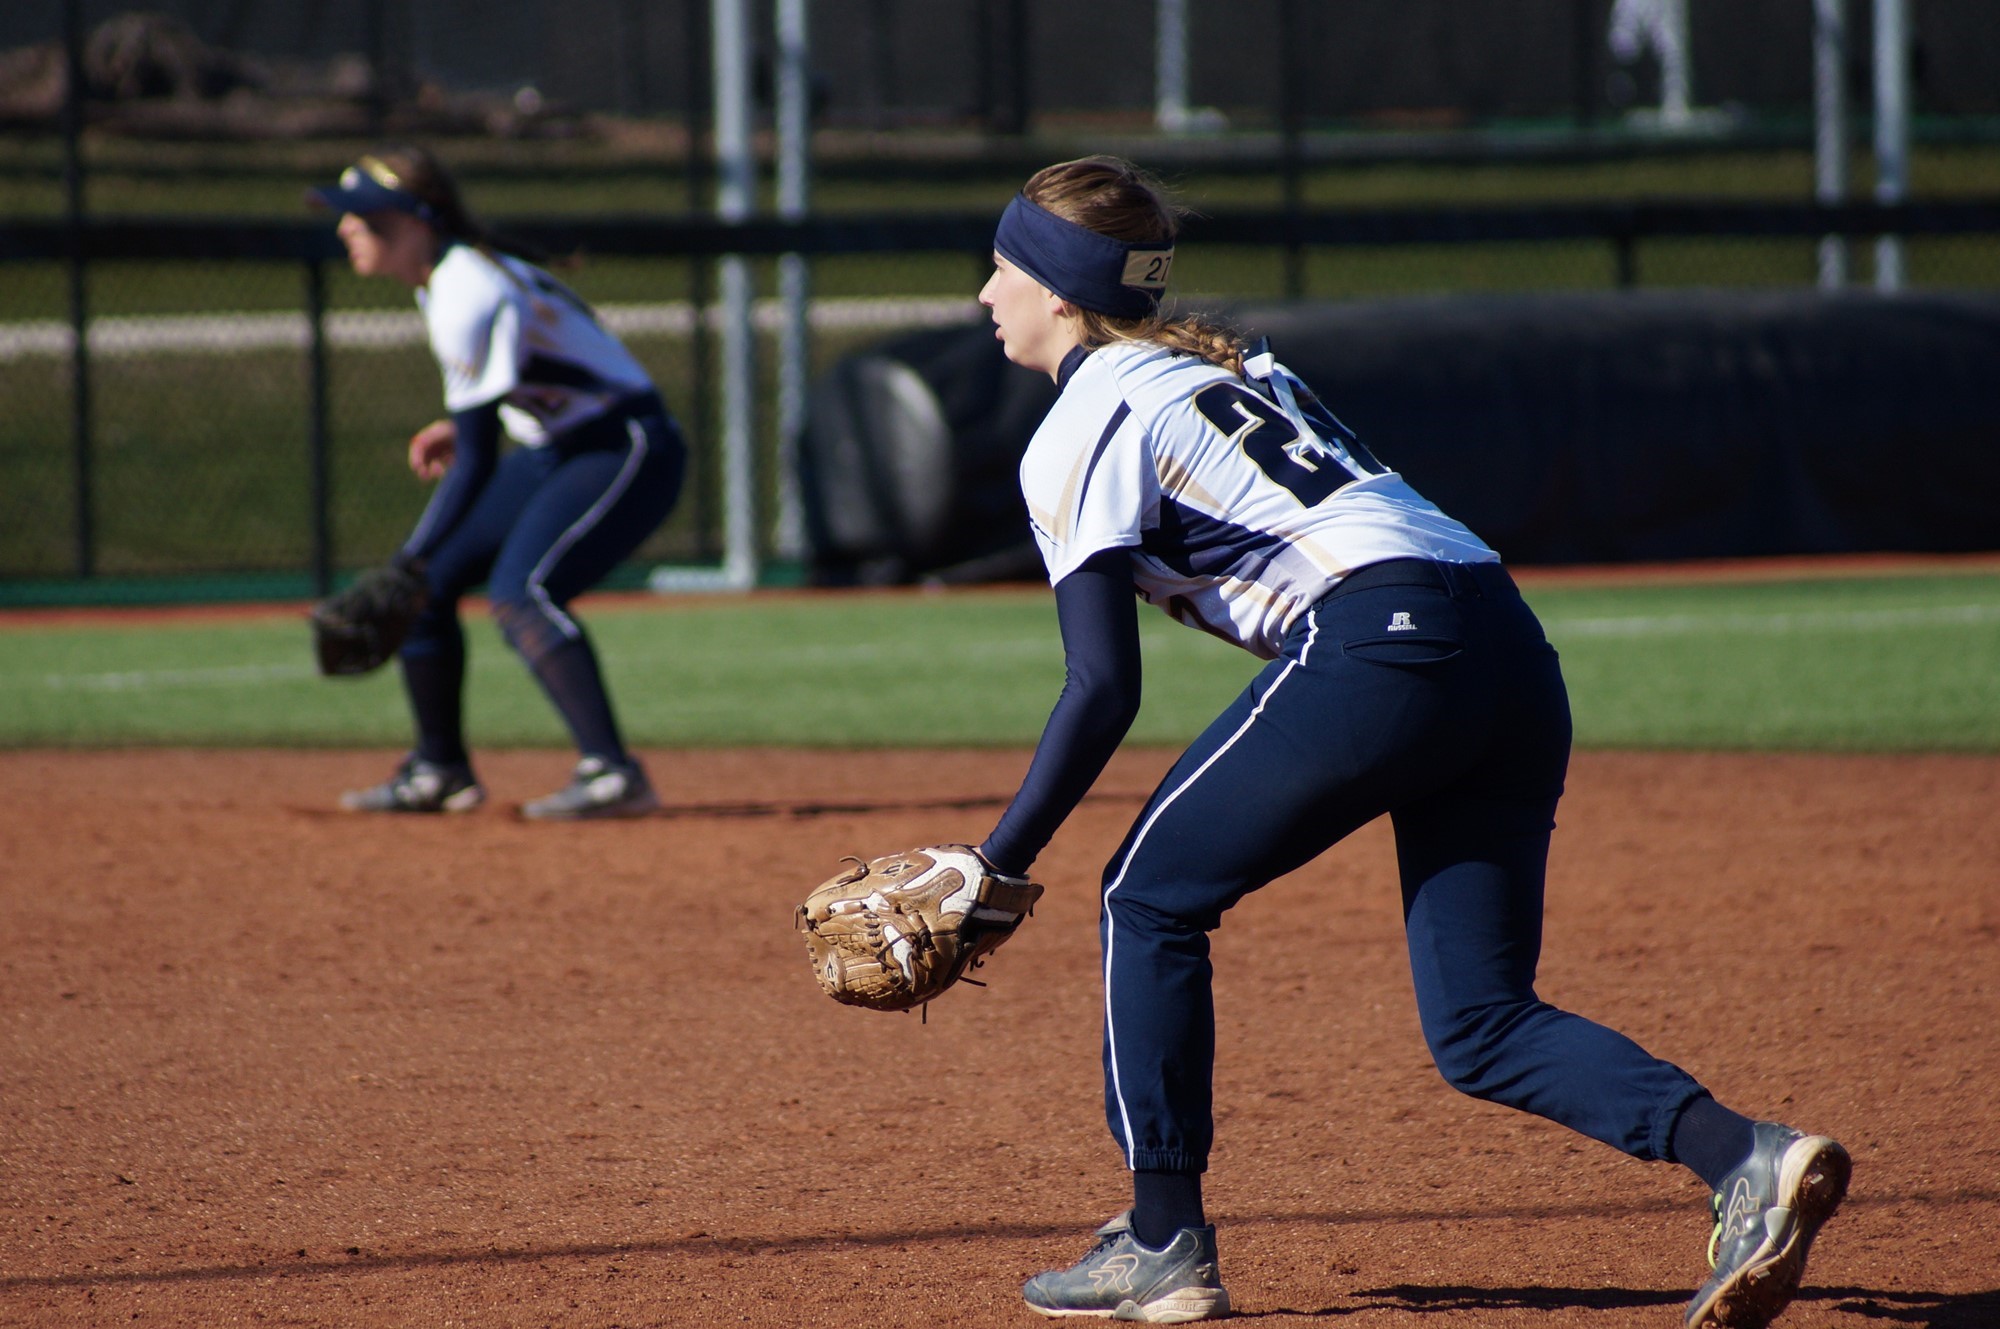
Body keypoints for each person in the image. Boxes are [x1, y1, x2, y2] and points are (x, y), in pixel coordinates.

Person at [968, 156, 1850, 1327]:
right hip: (1502, 646)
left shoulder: (1085, 416)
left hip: (1378, 644)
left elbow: (1098, 687)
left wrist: (999, 859)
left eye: (1003, 267)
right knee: (1480, 1026)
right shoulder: (1226, 371)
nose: (985, 295)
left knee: (1146, 897)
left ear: (1061, 295)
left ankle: (1163, 1242)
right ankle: (1745, 1157)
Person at [308, 148, 684, 820]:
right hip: (559, 441)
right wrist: (464, 423)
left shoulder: (464, 290)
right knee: (426, 590)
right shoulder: (446, 278)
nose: (345, 229)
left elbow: (478, 463)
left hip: (625, 443)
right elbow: (539, 368)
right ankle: (438, 768)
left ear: (413, 221)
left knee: (523, 590)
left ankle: (613, 773)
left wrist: (405, 557)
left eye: (361, 216)